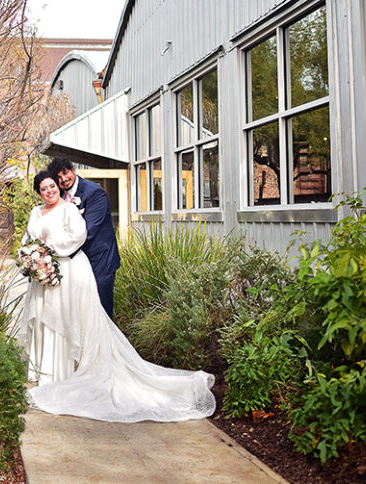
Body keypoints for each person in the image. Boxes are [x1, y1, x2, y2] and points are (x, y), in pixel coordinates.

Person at [13, 170, 215, 423]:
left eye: (53, 186)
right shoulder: (35, 212)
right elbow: (28, 237)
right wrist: (31, 255)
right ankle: (42, 371)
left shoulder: (69, 209)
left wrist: (48, 249)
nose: (50, 191)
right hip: (43, 273)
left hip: (67, 270)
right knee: (44, 316)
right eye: (44, 188)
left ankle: (62, 371)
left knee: (64, 318)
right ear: (39, 191)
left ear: (58, 187)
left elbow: (78, 236)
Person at [47, 158, 119, 319]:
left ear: (72, 169)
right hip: (78, 260)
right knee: (81, 307)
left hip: (101, 258)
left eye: (65, 173)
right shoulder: (59, 196)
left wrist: (57, 250)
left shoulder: (94, 192)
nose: (63, 179)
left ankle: (106, 343)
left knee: (102, 305)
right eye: (58, 177)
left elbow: (88, 231)